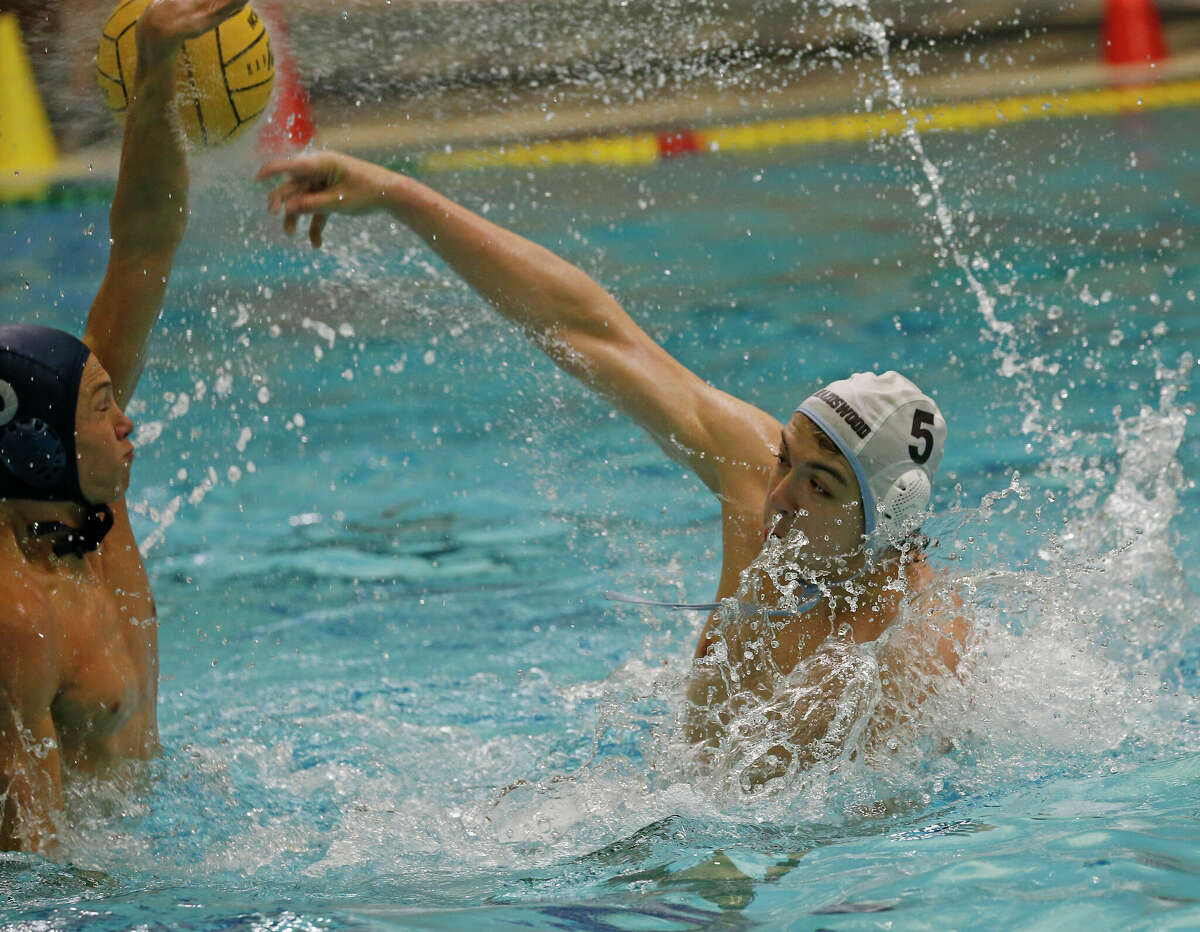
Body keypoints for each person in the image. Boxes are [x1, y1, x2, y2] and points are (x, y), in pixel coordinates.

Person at [257, 151, 969, 788]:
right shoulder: (754, 472)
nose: (777, 497)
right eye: (787, 457)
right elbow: (587, 327)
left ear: (890, 518)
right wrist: (398, 194)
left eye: (820, 486)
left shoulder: (910, 652)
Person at [0, 0, 251, 852]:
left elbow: (143, 243)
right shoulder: (16, 618)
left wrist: (156, 76)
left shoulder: (90, 510)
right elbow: (32, 863)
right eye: (103, 409)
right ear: (38, 446)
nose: (128, 424)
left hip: (155, 835)